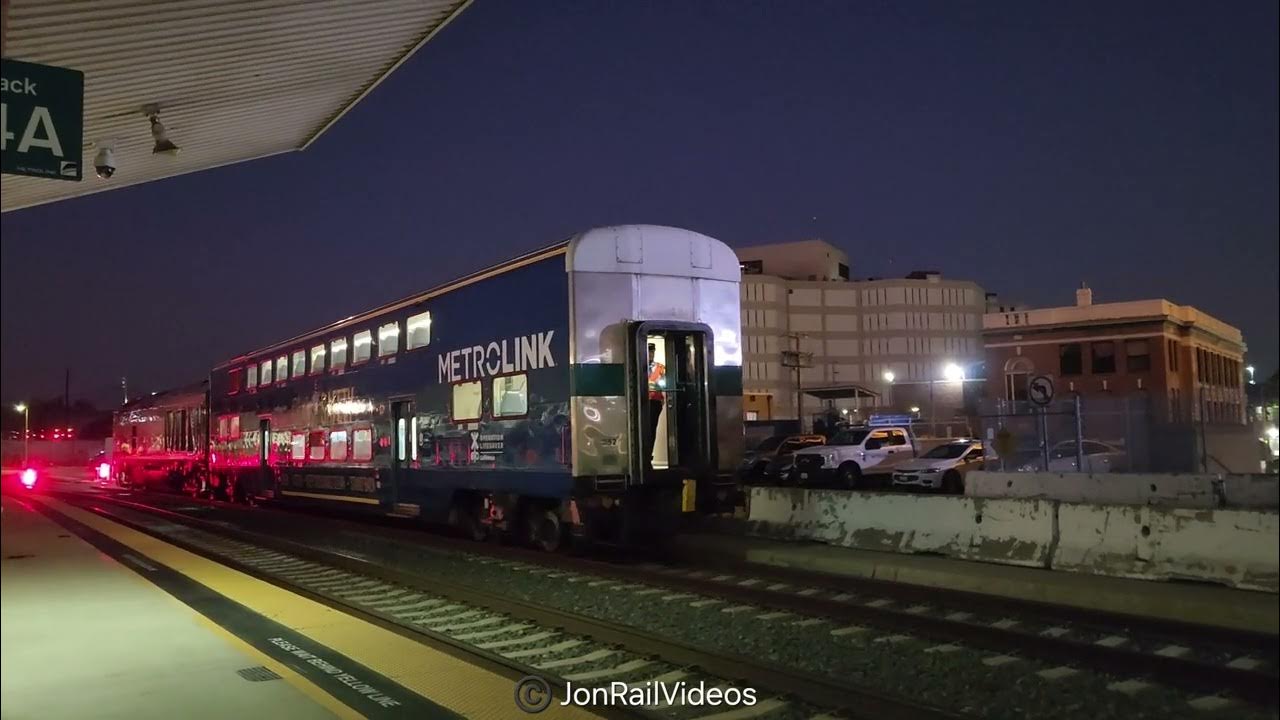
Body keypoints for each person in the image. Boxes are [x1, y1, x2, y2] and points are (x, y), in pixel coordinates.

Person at [645, 342, 666, 471]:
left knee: (652, 430)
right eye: (649, 352)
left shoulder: (660, 368)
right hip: (642, 401)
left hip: (654, 402)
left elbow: (664, 384)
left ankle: (649, 457)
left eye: (652, 352)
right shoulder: (638, 365)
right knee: (643, 430)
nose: (650, 354)